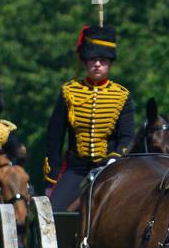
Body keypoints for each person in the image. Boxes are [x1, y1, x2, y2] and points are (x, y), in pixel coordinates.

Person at [44, 24, 135, 211]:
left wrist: (115, 158)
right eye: (93, 59)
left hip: (109, 168)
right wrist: (52, 173)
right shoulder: (69, 92)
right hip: (76, 169)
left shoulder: (122, 96)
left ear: (110, 62)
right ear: (85, 61)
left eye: (102, 60)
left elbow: (127, 136)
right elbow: (55, 135)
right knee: (54, 214)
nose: (97, 64)